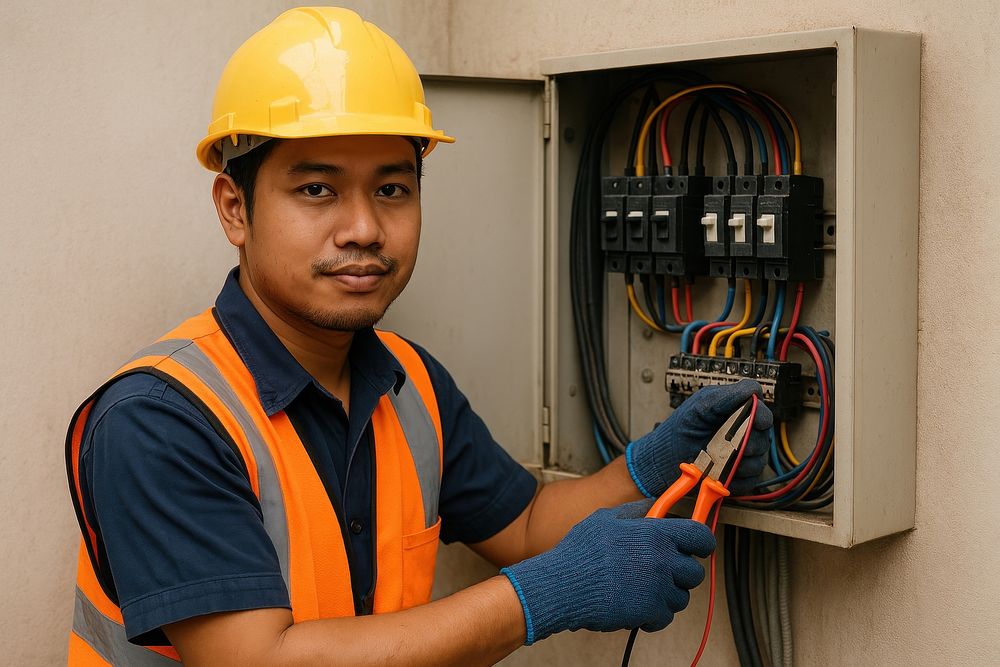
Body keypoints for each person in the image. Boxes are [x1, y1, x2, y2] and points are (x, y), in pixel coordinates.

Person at [65, 7, 771, 665]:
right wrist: (547, 594)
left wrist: (654, 464)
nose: (364, 228)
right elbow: (260, 659)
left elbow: (527, 524)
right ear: (234, 209)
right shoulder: (161, 418)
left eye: (392, 189)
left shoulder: (407, 382)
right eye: (317, 189)